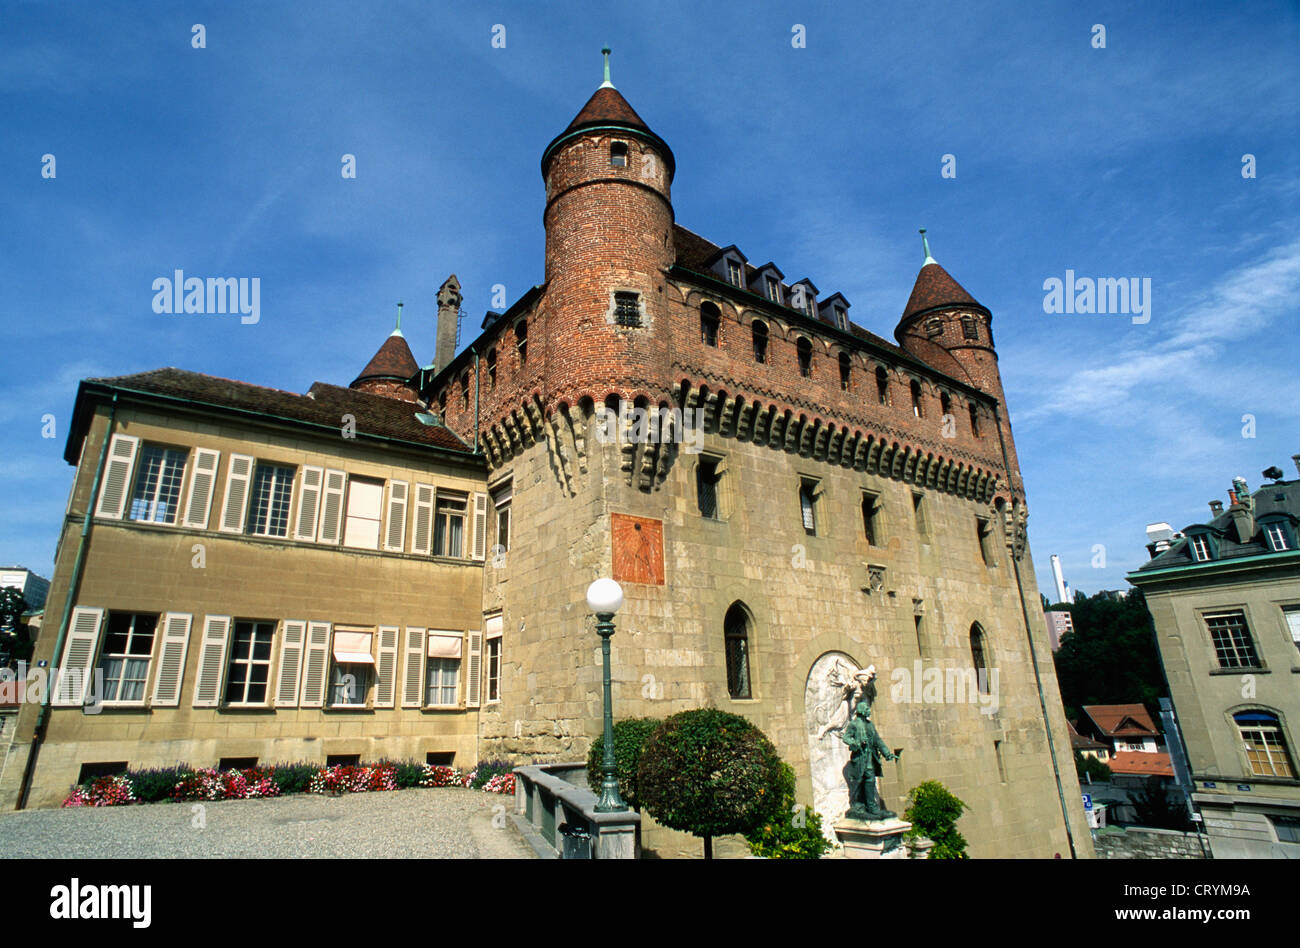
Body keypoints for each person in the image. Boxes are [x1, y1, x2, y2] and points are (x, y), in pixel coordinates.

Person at [840, 699, 900, 820]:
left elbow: (878, 740)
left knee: (870, 779)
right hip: (860, 757)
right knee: (860, 780)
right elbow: (846, 738)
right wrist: (856, 743)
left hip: (870, 757)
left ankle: (871, 806)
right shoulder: (854, 724)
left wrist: (887, 753)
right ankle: (859, 804)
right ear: (861, 711)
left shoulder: (870, 725)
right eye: (866, 709)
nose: (868, 711)